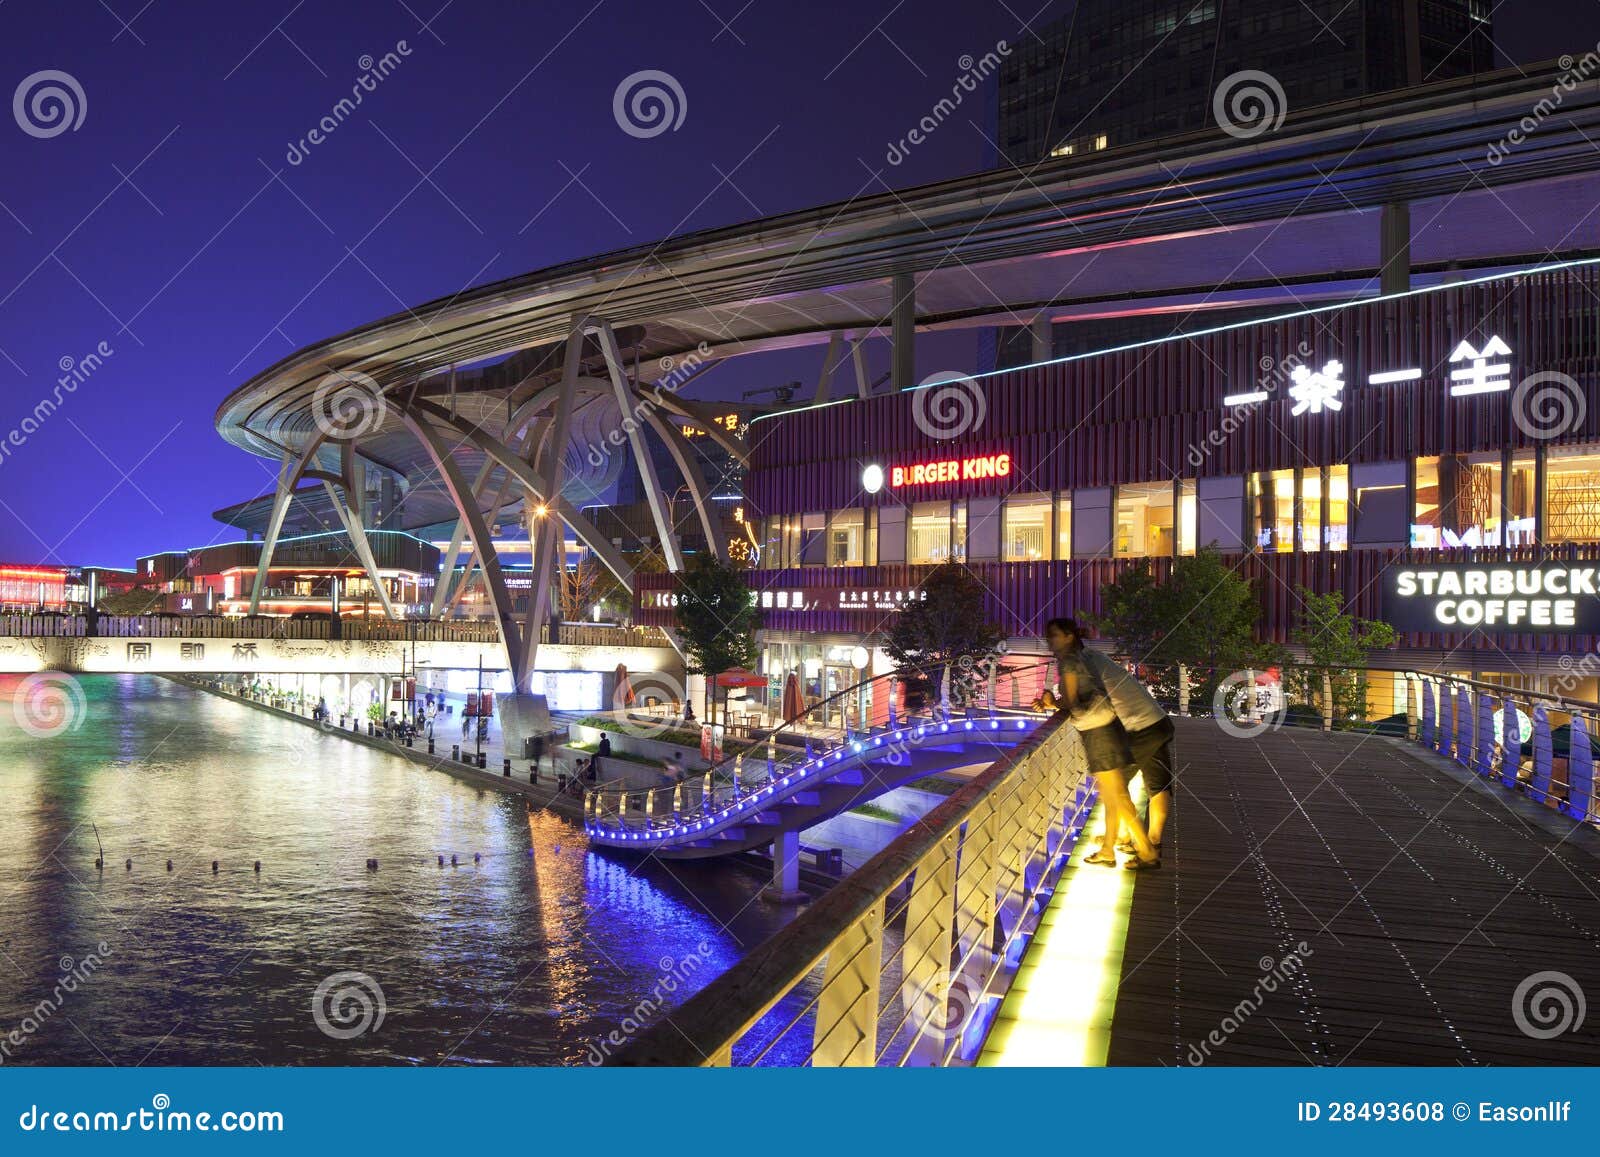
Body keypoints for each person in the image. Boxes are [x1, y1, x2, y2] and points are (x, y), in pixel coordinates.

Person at [1044, 617, 1161, 870]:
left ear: (1069, 636)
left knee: (1116, 794)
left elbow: (1071, 702)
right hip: (1108, 725)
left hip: (1098, 732)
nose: (1049, 640)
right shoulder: (1082, 657)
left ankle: (1147, 851)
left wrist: (1051, 702)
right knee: (1112, 794)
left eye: (1054, 635)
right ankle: (1109, 850)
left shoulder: (1069, 662)